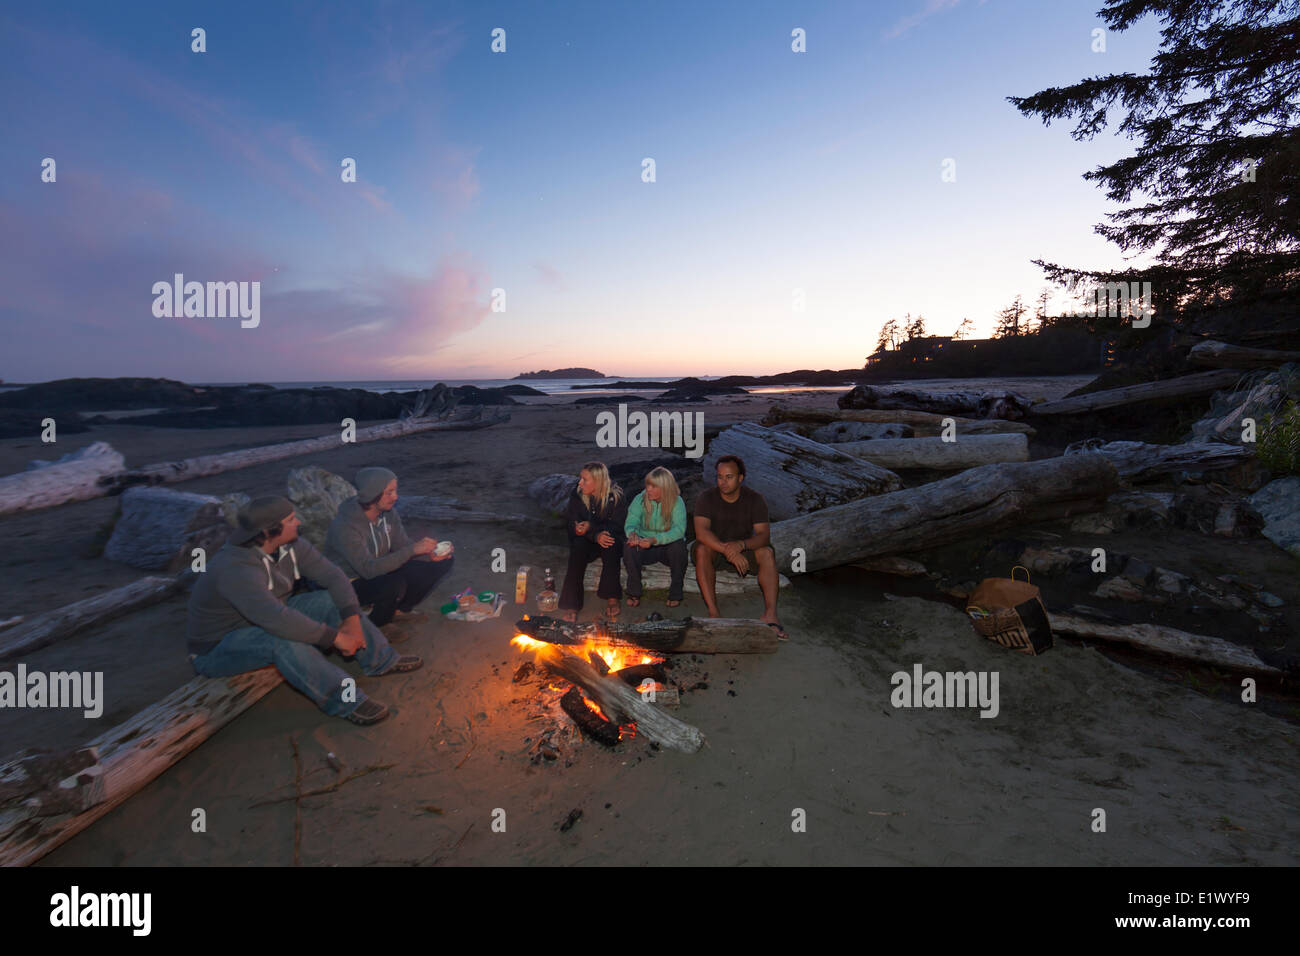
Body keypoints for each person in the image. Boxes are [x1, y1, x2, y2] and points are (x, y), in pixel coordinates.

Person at [188, 496, 421, 726]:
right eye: (291, 519)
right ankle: (346, 701)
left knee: (328, 600)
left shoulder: (290, 545)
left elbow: (334, 576)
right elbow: (276, 620)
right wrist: (336, 638)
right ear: (270, 531)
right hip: (218, 646)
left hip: (267, 616)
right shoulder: (235, 568)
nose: (298, 522)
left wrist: (351, 621)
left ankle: (381, 660)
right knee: (284, 641)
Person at [325, 467, 455, 635]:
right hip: (348, 583)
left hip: (379, 569)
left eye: (395, 490)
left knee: (441, 562)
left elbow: (403, 546)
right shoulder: (345, 527)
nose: (395, 497)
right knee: (393, 584)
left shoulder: (388, 514)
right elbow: (368, 570)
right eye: (389, 492)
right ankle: (377, 625)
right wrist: (413, 550)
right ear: (372, 494)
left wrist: (430, 556)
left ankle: (396, 611)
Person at [693, 455, 787, 639]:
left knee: (766, 552)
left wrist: (741, 546)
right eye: (720, 477)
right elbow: (702, 532)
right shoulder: (706, 498)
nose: (723, 482)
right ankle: (714, 613)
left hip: (744, 549)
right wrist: (727, 550)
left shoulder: (755, 499)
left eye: (729, 477)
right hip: (715, 549)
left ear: (740, 478)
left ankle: (770, 614)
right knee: (701, 549)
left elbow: (763, 536)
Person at [559, 461, 627, 622]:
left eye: (585, 480)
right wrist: (585, 531)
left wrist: (593, 528)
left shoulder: (615, 496)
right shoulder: (577, 494)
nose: (580, 483)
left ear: (598, 482)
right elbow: (571, 522)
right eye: (580, 478)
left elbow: (618, 526)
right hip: (587, 538)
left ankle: (612, 597)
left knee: (610, 544)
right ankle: (572, 604)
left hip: (609, 535)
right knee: (577, 548)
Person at [623, 466, 688, 608]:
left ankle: (676, 592)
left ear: (665, 487)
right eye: (648, 485)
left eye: (654, 486)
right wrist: (632, 534)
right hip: (645, 546)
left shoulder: (677, 502)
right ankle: (634, 592)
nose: (648, 489)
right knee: (628, 547)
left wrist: (655, 540)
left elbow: (679, 530)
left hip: (666, 548)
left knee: (678, 547)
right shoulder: (640, 499)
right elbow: (631, 522)